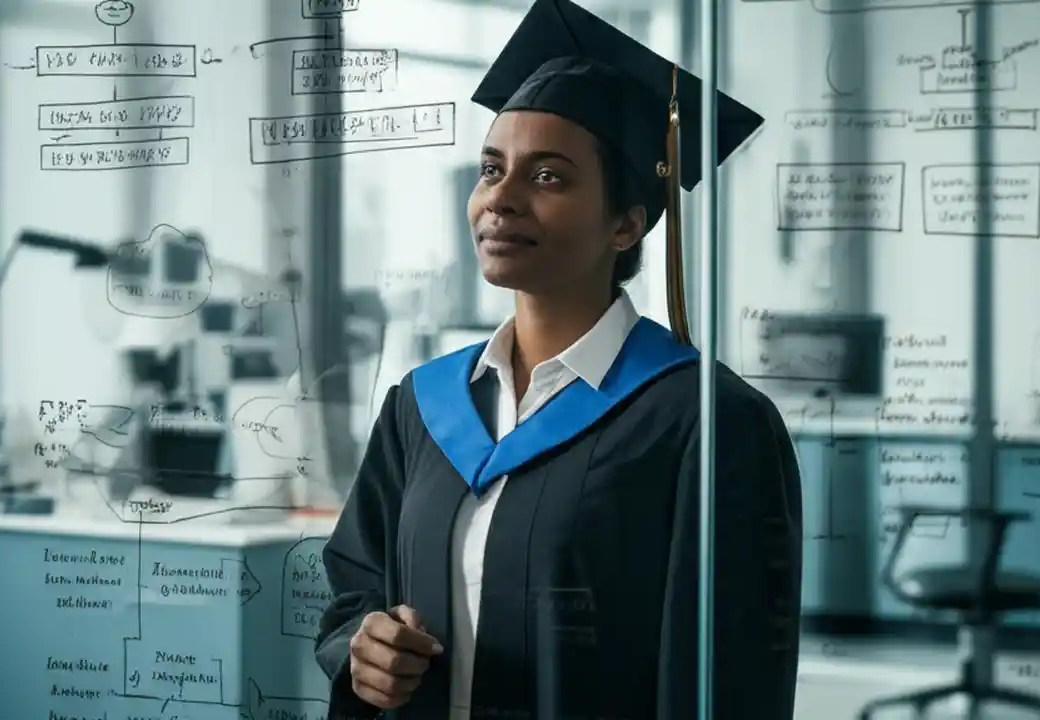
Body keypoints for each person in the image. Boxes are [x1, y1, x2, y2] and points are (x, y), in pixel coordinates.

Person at [315, 1, 803, 718]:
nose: (499, 199)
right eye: (491, 169)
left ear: (625, 224)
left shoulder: (707, 424)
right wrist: (365, 647)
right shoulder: (423, 406)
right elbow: (354, 589)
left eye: (547, 177)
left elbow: (733, 679)